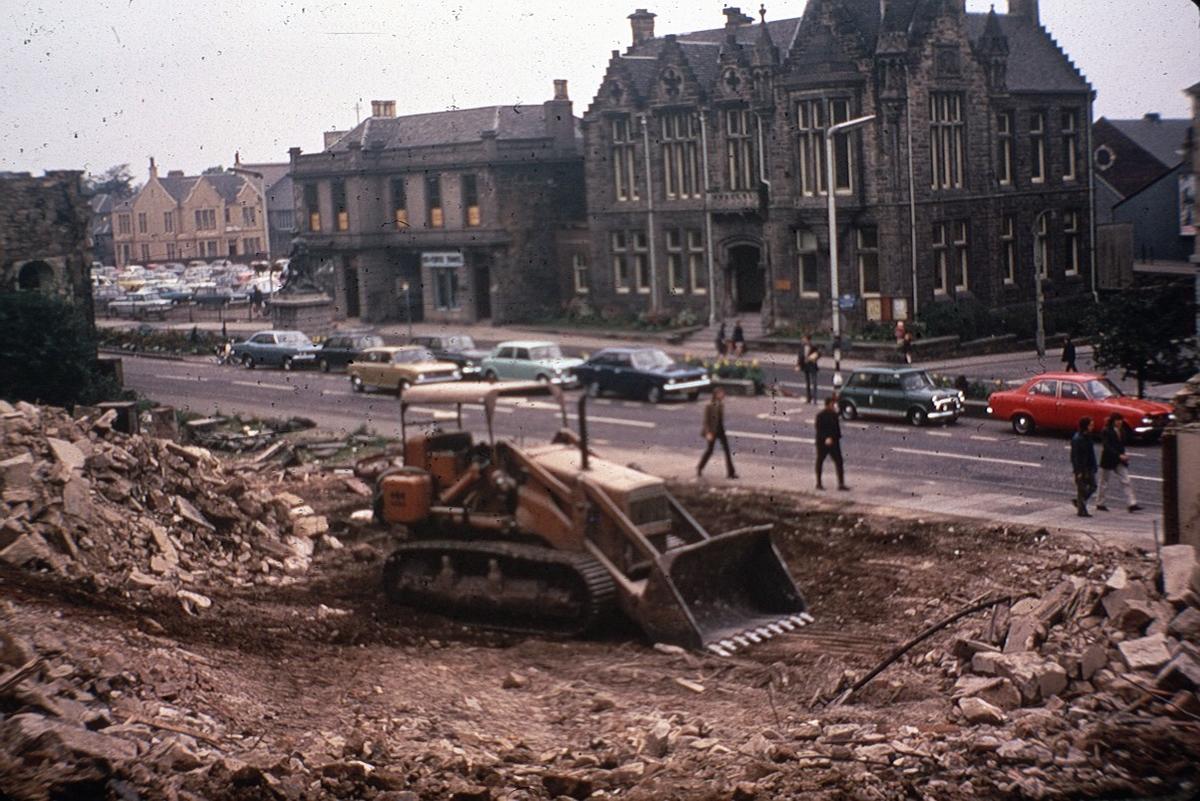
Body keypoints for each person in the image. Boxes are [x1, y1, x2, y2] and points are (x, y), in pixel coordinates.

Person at [1096, 413, 1141, 513]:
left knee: (1126, 480)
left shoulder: (1122, 431)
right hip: (1109, 459)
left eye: (1120, 420)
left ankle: (1132, 503)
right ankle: (1100, 503)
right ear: (1113, 421)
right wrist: (1119, 455)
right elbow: (1107, 447)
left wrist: (1124, 455)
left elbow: (1121, 445)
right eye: (1117, 420)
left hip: (1119, 460)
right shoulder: (1106, 431)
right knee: (1104, 482)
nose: (1119, 422)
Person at [697, 387, 737, 479]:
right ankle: (699, 467)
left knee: (727, 451)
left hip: (721, 430)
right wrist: (708, 433)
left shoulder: (721, 405)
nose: (723, 395)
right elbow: (706, 421)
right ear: (716, 395)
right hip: (712, 431)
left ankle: (731, 472)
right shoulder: (709, 405)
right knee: (709, 451)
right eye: (721, 393)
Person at [815, 396, 849, 491]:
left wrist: (835, 438)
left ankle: (841, 484)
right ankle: (818, 483)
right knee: (820, 461)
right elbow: (819, 429)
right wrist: (826, 438)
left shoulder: (834, 415)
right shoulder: (820, 415)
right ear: (828, 404)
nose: (834, 406)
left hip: (834, 442)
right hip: (823, 443)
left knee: (839, 461)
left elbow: (837, 429)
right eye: (832, 404)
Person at [1070, 416, 1098, 517]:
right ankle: (1082, 510)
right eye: (1090, 425)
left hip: (1089, 467)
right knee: (1082, 489)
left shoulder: (1087, 437)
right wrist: (1078, 471)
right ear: (1085, 426)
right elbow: (1075, 457)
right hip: (1082, 468)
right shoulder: (1078, 439)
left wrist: (1094, 466)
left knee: (1091, 487)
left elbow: (1091, 453)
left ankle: (1080, 504)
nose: (1092, 427)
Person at [797, 335, 821, 404]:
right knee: (807, 383)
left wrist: (814, 358)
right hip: (805, 366)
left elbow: (819, 354)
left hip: (812, 366)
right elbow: (800, 356)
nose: (803, 340)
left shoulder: (813, 346)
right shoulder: (802, 347)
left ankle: (815, 399)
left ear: (808, 340)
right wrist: (798, 365)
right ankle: (808, 398)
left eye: (804, 339)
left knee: (814, 382)